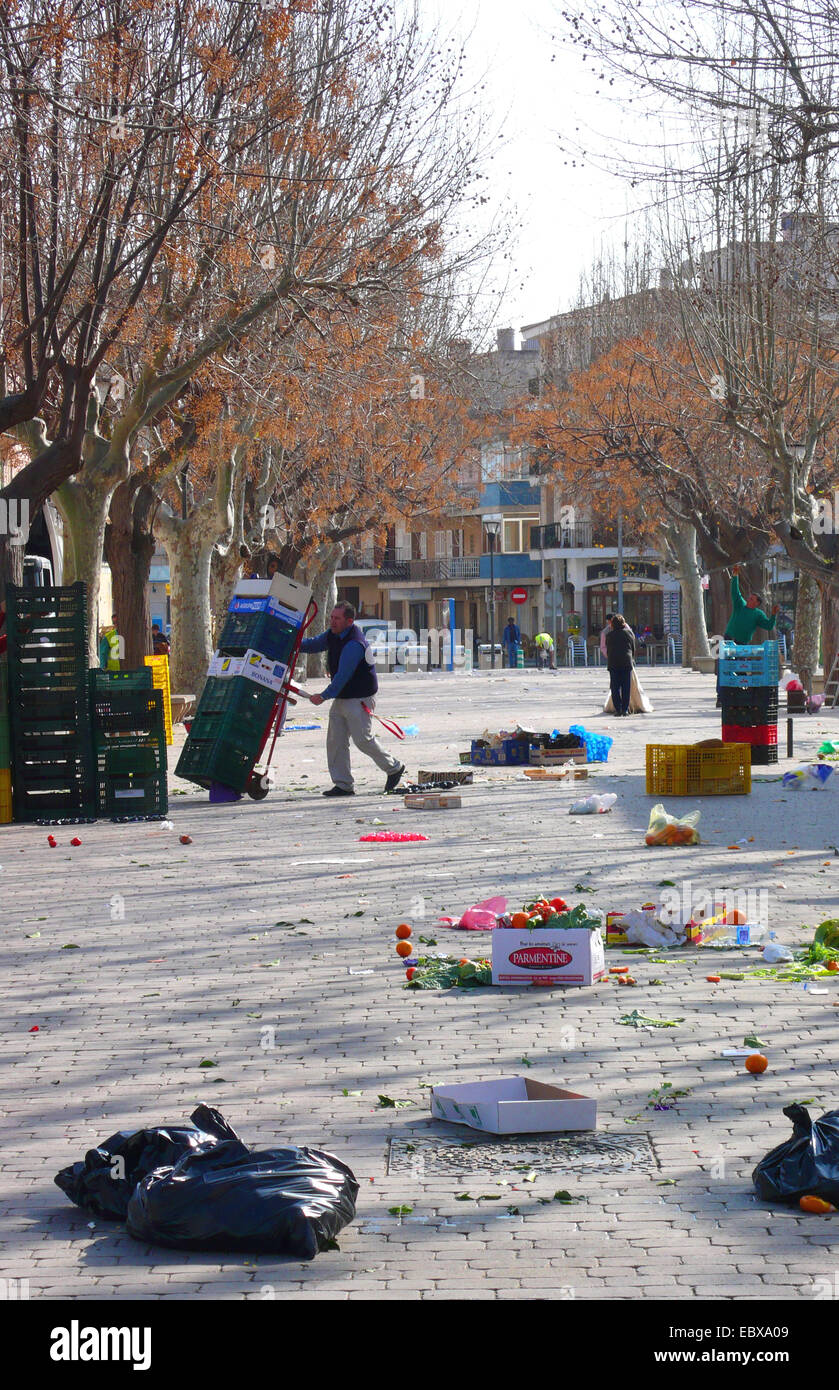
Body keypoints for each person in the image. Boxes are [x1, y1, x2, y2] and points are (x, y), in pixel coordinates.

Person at [299, 601, 405, 797]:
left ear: (349, 621)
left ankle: (394, 768)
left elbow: (342, 676)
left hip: (359, 698)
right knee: (336, 740)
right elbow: (314, 644)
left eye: (336, 618)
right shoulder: (334, 635)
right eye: (331, 617)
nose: (332, 621)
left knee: (362, 740)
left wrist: (322, 696)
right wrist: (292, 643)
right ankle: (343, 785)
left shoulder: (354, 643)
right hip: (343, 697)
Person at [716, 566, 779, 703]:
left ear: (757, 603)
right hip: (728, 640)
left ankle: (744, 691)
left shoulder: (758, 614)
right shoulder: (740, 605)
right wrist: (735, 576)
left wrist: (773, 615)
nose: (748, 599)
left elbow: (768, 625)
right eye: (749, 598)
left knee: (740, 668)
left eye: (752, 599)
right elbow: (735, 592)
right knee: (723, 667)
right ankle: (721, 696)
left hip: (742, 644)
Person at [605, 613, 635, 716]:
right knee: (626, 687)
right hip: (626, 661)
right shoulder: (629, 633)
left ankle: (618, 709)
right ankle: (625, 709)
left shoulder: (609, 635)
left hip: (613, 662)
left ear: (612, 624)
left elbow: (608, 649)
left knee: (615, 687)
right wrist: (632, 658)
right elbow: (632, 647)